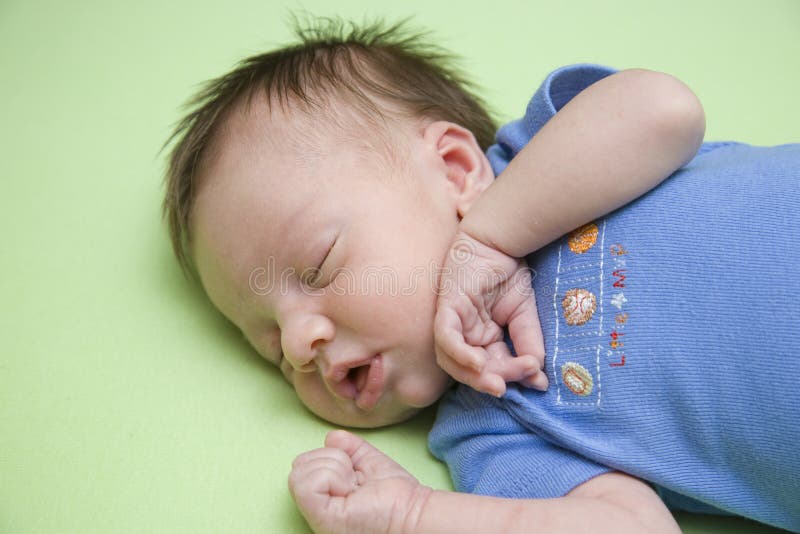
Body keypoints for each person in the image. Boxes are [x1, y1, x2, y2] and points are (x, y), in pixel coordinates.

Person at [162, 17, 800, 533]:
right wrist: (413, 516)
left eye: (319, 264)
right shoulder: (489, 434)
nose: (300, 344)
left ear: (456, 169)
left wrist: (490, 239)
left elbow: (667, 110)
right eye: (270, 343)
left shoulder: (542, 156)